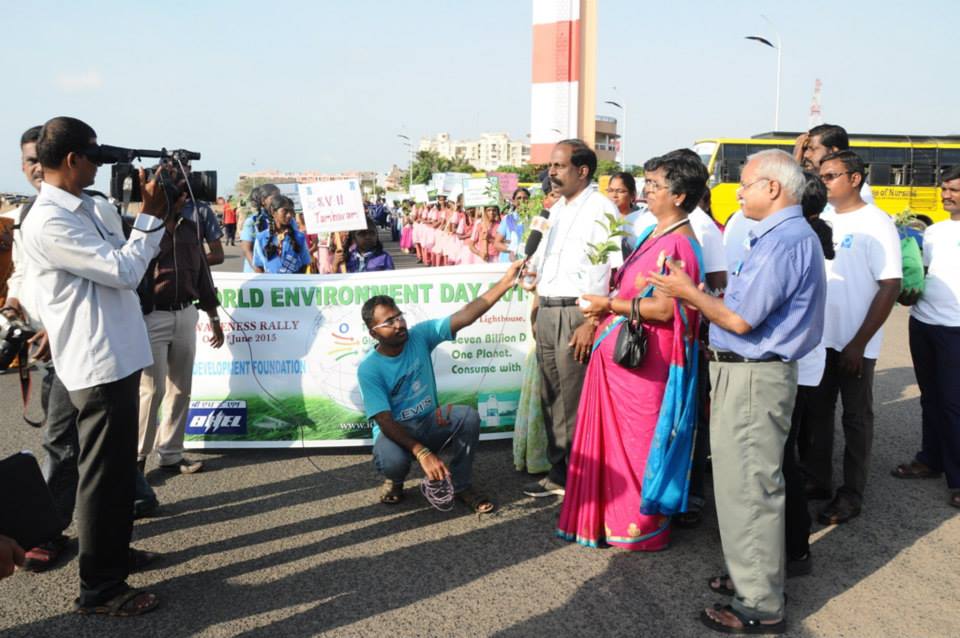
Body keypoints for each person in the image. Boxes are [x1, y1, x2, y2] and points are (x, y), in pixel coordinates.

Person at [650, 149, 826, 634]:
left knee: (749, 489)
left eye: (745, 184)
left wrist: (688, 292)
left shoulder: (785, 240)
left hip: (754, 376)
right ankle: (751, 576)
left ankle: (760, 605)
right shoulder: (777, 236)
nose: (739, 193)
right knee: (738, 485)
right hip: (746, 374)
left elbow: (741, 319)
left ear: (773, 187)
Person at [20, 116, 167, 616]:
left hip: (120, 354)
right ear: (71, 160)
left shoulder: (90, 206)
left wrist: (146, 212)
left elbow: (122, 254)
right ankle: (101, 588)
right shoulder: (48, 220)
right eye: (94, 155)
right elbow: (125, 269)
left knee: (117, 474)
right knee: (102, 479)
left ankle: (112, 554)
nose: (100, 163)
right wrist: (150, 218)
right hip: (97, 360)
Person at [556, 152, 704, 551]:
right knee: (616, 446)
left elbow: (666, 309)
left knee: (639, 446)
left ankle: (640, 527)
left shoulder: (679, 244)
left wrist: (609, 307)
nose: (647, 192)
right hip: (622, 364)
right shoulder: (651, 234)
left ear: (680, 195)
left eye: (655, 186)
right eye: (649, 183)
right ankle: (608, 521)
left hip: (646, 365)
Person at [357, 260, 524, 512]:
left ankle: (461, 485)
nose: (399, 324)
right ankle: (395, 479)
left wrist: (506, 282)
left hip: (428, 422)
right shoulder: (369, 368)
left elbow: (465, 316)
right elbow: (384, 420)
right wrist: (422, 452)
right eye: (389, 322)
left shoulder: (420, 335)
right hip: (394, 431)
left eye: (399, 316)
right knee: (392, 460)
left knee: (467, 417)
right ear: (374, 333)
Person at [799, 150, 902, 524]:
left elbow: (890, 284)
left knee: (856, 419)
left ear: (854, 178)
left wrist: (858, 343)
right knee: (817, 414)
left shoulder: (877, 222)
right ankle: (818, 480)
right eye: (821, 176)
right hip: (819, 340)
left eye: (830, 176)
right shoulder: (821, 218)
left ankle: (851, 492)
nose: (823, 182)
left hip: (856, 342)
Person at [522, 139, 623, 497]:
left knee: (573, 399)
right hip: (548, 310)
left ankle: (580, 476)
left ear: (582, 171)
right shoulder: (557, 209)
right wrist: (536, 296)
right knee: (550, 396)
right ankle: (560, 470)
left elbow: (605, 269)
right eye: (550, 165)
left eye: (559, 166)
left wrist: (591, 321)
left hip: (575, 314)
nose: (551, 172)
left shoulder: (602, 208)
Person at [137, 182, 226, 478]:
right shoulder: (143, 229)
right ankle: (137, 461)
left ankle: (171, 455)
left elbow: (203, 274)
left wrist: (213, 318)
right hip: (151, 318)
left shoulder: (190, 230)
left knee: (180, 388)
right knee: (152, 390)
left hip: (186, 314)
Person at [891, 165, 960, 509]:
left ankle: (958, 477)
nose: (947, 196)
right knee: (930, 398)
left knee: (953, 403)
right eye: (944, 189)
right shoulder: (932, 233)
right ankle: (930, 459)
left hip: (956, 330)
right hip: (923, 323)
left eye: (954, 190)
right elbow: (916, 271)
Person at [794, 123, 874, 205]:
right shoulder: (811, 185)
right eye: (805, 149)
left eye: (812, 149)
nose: (806, 155)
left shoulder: (858, 190)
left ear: (833, 151)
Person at [253, 195, 311, 274]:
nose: (289, 215)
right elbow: (258, 266)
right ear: (273, 212)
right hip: (271, 284)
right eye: (285, 211)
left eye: (291, 211)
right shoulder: (261, 238)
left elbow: (304, 264)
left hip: (293, 284)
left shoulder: (299, 237)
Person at [240, 183, 280, 272]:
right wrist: (259, 271)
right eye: (274, 198)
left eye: (279, 197)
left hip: (278, 274)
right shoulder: (252, 221)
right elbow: (247, 249)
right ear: (263, 200)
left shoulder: (283, 220)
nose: (278, 201)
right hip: (256, 275)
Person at [494, 188, 529, 262]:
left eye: (525, 198)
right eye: (519, 198)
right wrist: (514, 249)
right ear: (513, 201)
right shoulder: (508, 218)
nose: (522, 200)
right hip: (508, 261)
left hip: (527, 261)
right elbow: (497, 243)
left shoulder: (533, 218)